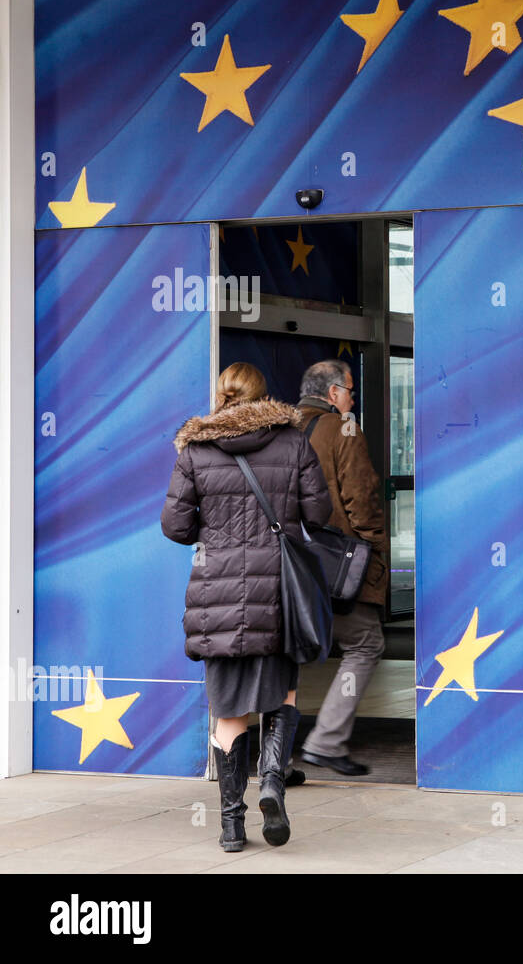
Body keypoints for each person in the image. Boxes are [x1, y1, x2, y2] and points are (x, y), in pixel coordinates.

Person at [160, 363, 332, 852]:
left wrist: (214, 532)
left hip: (216, 596)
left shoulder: (195, 449)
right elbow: (318, 514)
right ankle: (273, 784)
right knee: (284, 694)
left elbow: (174, 525)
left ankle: (232, 827)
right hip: (276, 592)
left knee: (229, 713)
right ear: (263, 396)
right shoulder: (293, 442)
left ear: (222, 395)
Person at [294, 359, 390, 776]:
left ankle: (273, 755)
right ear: (333, 394)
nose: (353, 398)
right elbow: (361, 498)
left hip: (285, 565)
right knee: (365, 644)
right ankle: (327, 741)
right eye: (350, 390)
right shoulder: (343, 429)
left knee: (284, 651)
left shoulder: (279, 429)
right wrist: (374, 552)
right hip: (335, 566)